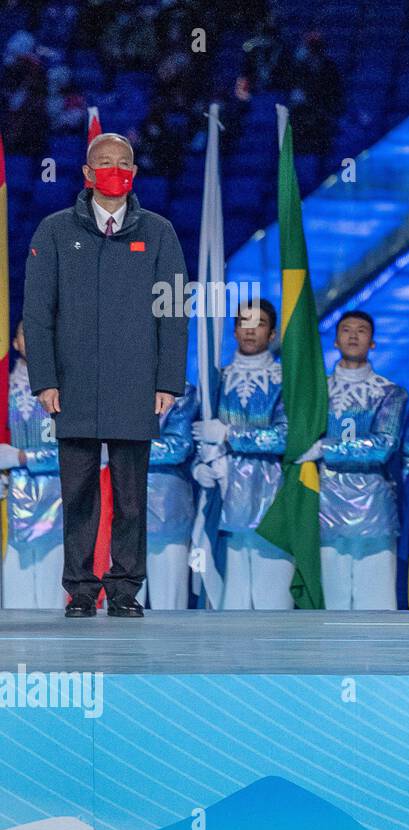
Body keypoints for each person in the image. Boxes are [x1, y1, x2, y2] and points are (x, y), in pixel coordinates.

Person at [22, 131, 188, 617]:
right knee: (76, 494)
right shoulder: (54, 231)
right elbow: (37, 312)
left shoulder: (159, 232)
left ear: (133, 173)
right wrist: (45, 379)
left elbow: (174, 311)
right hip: (72, 386)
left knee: (132, 498)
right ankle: (79, 589)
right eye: (105, 162)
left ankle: (124, 590)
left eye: (124, 162)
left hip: (137, 384)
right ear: (88, 174)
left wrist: (167, 381)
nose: (115, 169)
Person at [192, 299, 293, 610]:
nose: (250, 330)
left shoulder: (285, 381)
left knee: (272, 601)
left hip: (273, 502)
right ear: (234, 331)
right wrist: (200, 468)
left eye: (259, 323)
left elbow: (284, 438)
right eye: (244, 323)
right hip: (223, 503)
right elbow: (197, 432)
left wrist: (229, 434)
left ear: (272, 334)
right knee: (228, 599)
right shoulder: (214, 381)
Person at [308, 310, 408, 610]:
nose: (353, 336)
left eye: (362, 330)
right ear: (336, 340)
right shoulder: (315, 392)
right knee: (333, 605)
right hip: (324, 508)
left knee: (375, 606)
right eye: (346, 330)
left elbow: (383, 446)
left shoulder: (390, 393)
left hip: (374, 512)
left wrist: (327, 448)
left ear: (373, 343)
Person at [0, 320, 64, 608]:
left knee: (52, 591)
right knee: (17, 591)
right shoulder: (5, 390)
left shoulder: (65, 390)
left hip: (56, 501)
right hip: (12, 500)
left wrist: (24, 458)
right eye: (26, 335)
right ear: (14, 343)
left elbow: (74, 451)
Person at [140, 383, 198, 609]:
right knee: (119, 603)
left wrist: (122, 446)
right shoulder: (113, 385)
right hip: (118, 509)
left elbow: (177, 446)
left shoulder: (180, 390)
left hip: (166, 509)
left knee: (169, 604)